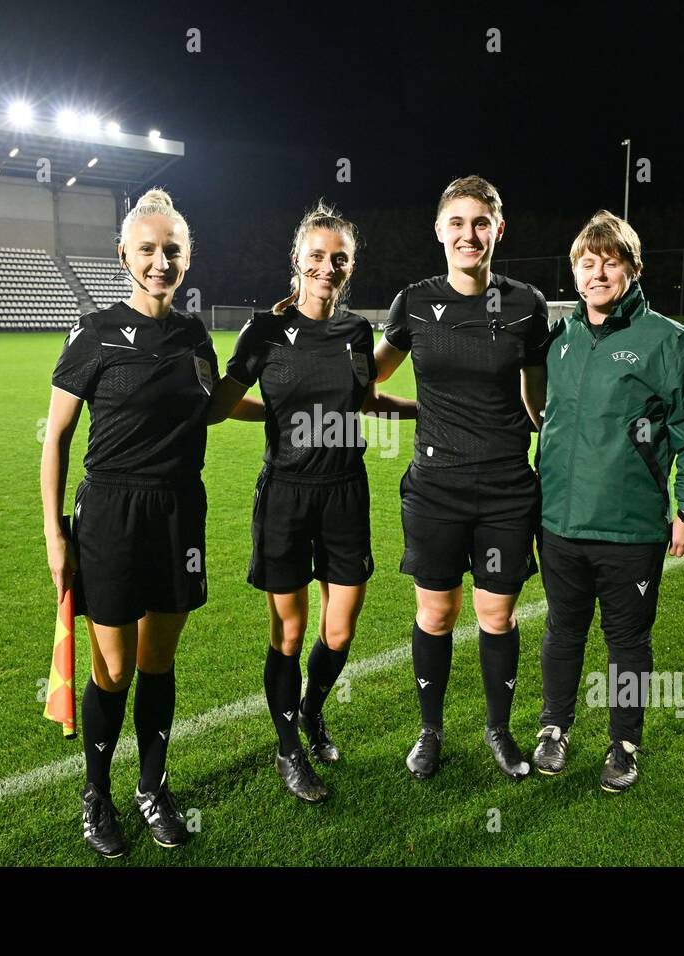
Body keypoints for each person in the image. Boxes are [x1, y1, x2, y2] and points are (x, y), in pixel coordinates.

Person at [209, 202, 415, 802]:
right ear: (297, 260)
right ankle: (288, 747)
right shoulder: (263, 331)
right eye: (318, 256)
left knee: (341, 628)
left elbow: (365, 403)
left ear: (350, 268)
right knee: (291, 632)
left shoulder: (356, 332)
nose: (329, 267)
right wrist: (272, 415)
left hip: (346, 494)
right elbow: (219, 404)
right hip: (287, 496)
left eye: (340, 258)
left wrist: (431, 409)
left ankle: (312, 710)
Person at [40, 188, 217, 856]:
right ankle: (96, 794)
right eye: (147, 249)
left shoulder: (195, 333)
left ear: (188, 255)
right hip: (111, 513)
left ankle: (152, 785)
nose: (161, 260)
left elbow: (210, 406)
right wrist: (56, 534)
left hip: (179, 511)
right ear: (124, 255)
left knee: (158, 660)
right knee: (112, 670)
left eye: (172, 249)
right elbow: (55, 438)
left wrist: (292, 397)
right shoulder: (93, 332)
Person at [533, 209, 684, 793]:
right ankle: (554, 729)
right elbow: (545, 418)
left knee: (628, 642)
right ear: (574, 272)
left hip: (631, 528)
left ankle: (624, 743)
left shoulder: (668, 340)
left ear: (634, 269)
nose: (597, 273)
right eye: (587, 263)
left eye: (610, 262)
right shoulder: (559, 340)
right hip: (559, 523)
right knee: (563, 630)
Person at [373, 175, 550, 780]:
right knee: (436, 616)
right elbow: (365, 382)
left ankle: (499, 732)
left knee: (496, 617)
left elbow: (538, 402)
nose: (468, 234)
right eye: (457, 222)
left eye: (481, 222)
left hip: (505, 489)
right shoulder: (413, 303)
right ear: (439, 232)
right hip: (435, 488)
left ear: (498, 229)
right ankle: (430, 732)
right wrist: (417, 414)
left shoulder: (527, 304)